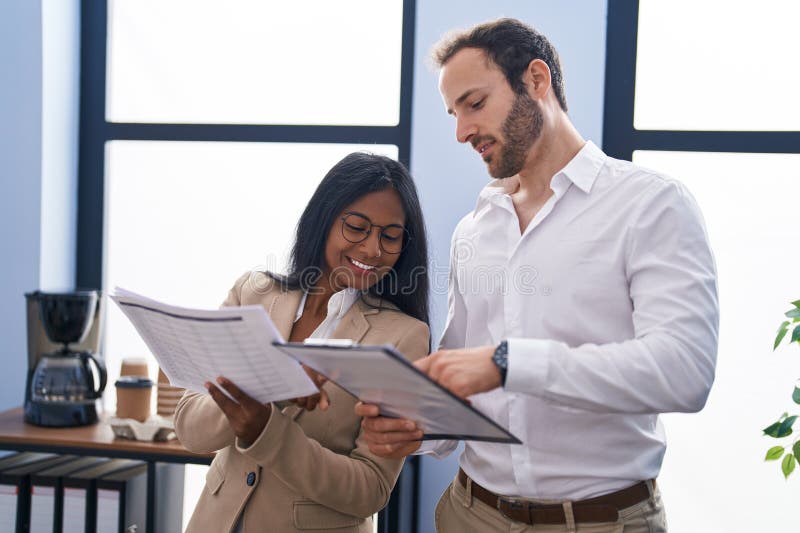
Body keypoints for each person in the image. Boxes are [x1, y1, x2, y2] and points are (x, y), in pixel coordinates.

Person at [356, 18, 719, 532]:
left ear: (536, 80)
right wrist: (417, 424)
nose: (461, 132)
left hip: (599, 522)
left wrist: (511, 363)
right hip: (469, 513)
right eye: (454, 114)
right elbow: (464, 371)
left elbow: (684, 372)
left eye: (474, 104)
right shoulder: (474, 229)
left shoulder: (652, 205)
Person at [174, 152, 431, 533]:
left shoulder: (404, 337)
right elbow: (190, 430)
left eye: (390, 236)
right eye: (357, 227)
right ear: (323, 218)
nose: (373, 249)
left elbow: (371, 488)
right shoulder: (253, 294)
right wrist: (265, 385)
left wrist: (268, 432)